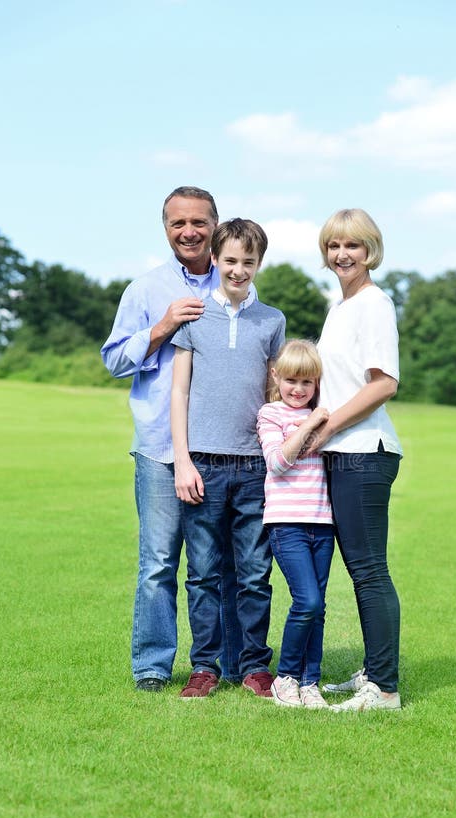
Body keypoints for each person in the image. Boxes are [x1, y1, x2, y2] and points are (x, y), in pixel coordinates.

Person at [100, 186, 243, 691]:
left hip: (225, 454)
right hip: (161, 449)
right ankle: (153, 667)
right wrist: (160, 328)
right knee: (159, 563)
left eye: (199, 223)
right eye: (178, 223)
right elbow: (114, 361)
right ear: (165, 228)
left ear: (214, 224)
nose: (189, 232)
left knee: (221, 564)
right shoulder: (145, 290)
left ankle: (223, 664)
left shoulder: (236, 283)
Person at [171, 218, 286, 699]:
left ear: (259, 264)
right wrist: (182, 460)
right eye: (231, 260)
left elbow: (276, 391)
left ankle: (255, 666)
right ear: (215, 260)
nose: (239, 270)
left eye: (249, 262)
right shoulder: (194, 316)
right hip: (202, 463)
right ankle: (204, 668)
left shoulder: (272, 321)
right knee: (202, 573)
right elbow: (178, 391)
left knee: (256, 574)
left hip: (255, 467)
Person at [310, 208, 404, 712]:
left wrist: (325, 427)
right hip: (342, 452)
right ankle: (374, 669)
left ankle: (384, 688)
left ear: (371, 250)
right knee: (360, 569)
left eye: (353, 246)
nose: (343, 255)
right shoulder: (340, 308)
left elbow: (383, 383)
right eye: (334, 246)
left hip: (364, 453)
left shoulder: (374, 303)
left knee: (369, 571)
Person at [257, 340, 335, 709]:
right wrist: (312, 423)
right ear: (276, 376)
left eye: (308, 383)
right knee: (307, 601)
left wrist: (319, 418)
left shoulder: (322, 412)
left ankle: (310, 682)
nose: (299, 389)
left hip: (321, 523)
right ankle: (285, 677)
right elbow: (278, 462)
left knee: (317, 607)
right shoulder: (270, 414)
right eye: (291, 380)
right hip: (286, 523)